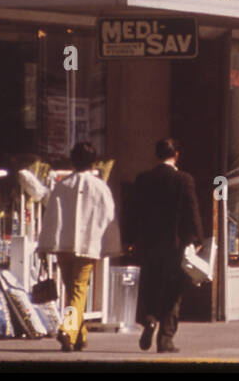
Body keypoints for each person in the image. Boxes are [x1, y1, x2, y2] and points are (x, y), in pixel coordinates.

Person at [37, 141, 120, 352]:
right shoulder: (100, 187)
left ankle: (78, 336)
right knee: (78, 291)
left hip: (63, 246)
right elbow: (108, 217)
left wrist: (45, 245)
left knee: (73, 291)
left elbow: (51, 218)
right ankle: (68, 329)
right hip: (87, 245)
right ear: (93, 162)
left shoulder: (62, 186)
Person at [126, 139, 204, 353]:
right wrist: (197, 238)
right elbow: (192, 210)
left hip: (149, 244)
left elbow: (133, 211)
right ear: (176, 155)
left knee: (150, 285)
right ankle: (165, 338)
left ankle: (149, 318)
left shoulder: (143, 179)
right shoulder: (184, 180)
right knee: (173, 291)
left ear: (156, 155)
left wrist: (130, 239)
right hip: (175, 245)